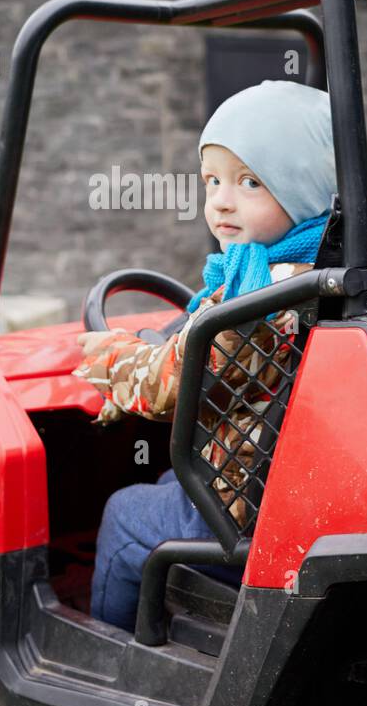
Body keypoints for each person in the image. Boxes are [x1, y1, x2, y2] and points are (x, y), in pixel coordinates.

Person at [72, 79, 337, 631]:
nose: (221, 199)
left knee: (124, 514)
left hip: (252, 514)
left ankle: (117, 658)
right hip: (295, 487)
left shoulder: (258, 297)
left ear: (306, 187)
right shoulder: (324, 274)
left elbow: (165, 385)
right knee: (169, 485)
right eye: (212, 180)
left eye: (249, 182)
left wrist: (102, 354)